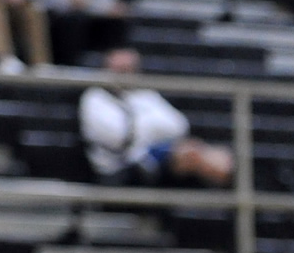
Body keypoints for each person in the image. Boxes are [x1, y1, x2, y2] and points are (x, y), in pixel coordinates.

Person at [79, 47, 232, 187]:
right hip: (118, 167)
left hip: (152, 155)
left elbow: (179, 125)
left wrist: (139, 127)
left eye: (129, 69)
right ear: (107, 68)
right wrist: (151, 127)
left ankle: (228, 193)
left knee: (204, 151)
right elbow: (119, 138)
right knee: (189, 154)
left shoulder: (144, 94)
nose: (124, 75)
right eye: (119, 70)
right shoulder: (95, 97)